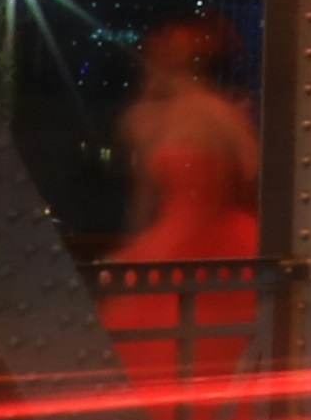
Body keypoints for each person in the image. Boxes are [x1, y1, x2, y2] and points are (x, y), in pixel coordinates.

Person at [110, 21, 262, 384]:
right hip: (214, 243)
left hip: (190, 244)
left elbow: (145, 201)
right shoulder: (218, 114)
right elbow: (251, 174)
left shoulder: (158, 118)